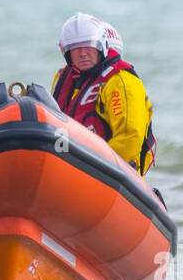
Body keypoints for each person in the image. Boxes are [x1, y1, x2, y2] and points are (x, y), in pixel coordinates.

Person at [50, 13, 156, 175]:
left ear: (102, 46)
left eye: (88, 46)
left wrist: (91, 169)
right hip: (69, 168)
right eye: (76, 48)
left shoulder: (121, 81)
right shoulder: (63, 80)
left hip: (106, 174)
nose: (83, 53)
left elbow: (129, 137)